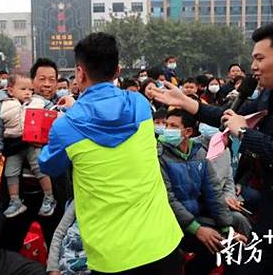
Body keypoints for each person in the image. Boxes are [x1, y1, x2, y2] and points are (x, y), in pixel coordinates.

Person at [153, 21, 273, 275]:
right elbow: (227, 116)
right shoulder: (267, 95)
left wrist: (244, 133)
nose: (253, 67)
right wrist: (189, 104)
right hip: (271, 212)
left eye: (259, 58)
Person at [39, 32, 183, 274]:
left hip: (113, 256)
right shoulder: (139, 105)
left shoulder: (65, 127)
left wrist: (58, 127)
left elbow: (48, 166)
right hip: (163, 243)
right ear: (117, 70)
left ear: (80, 72)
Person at [158, 109, 246, 275]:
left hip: (197, 217)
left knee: (234, 239)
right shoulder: (159, 156)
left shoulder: (199, 153)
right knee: (214, 244)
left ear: (188, 132)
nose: (166, 130)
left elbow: (213, 192)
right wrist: (197, 228)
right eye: (166, 125)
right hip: (173, 222)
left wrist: (226, 228)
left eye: (173, 126)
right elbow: (168, 199)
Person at [0, 74, 57, 218]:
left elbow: (53, 109)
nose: (28, 92)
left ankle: (49, 197)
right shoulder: (3, 105)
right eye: (23, 89)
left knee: (40, 168)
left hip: (34, 143)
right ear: (11, 91)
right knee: (10, 172)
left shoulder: (37, 101)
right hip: (13, 145)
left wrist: (61, 109)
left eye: (30, 89)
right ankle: (15, 201)